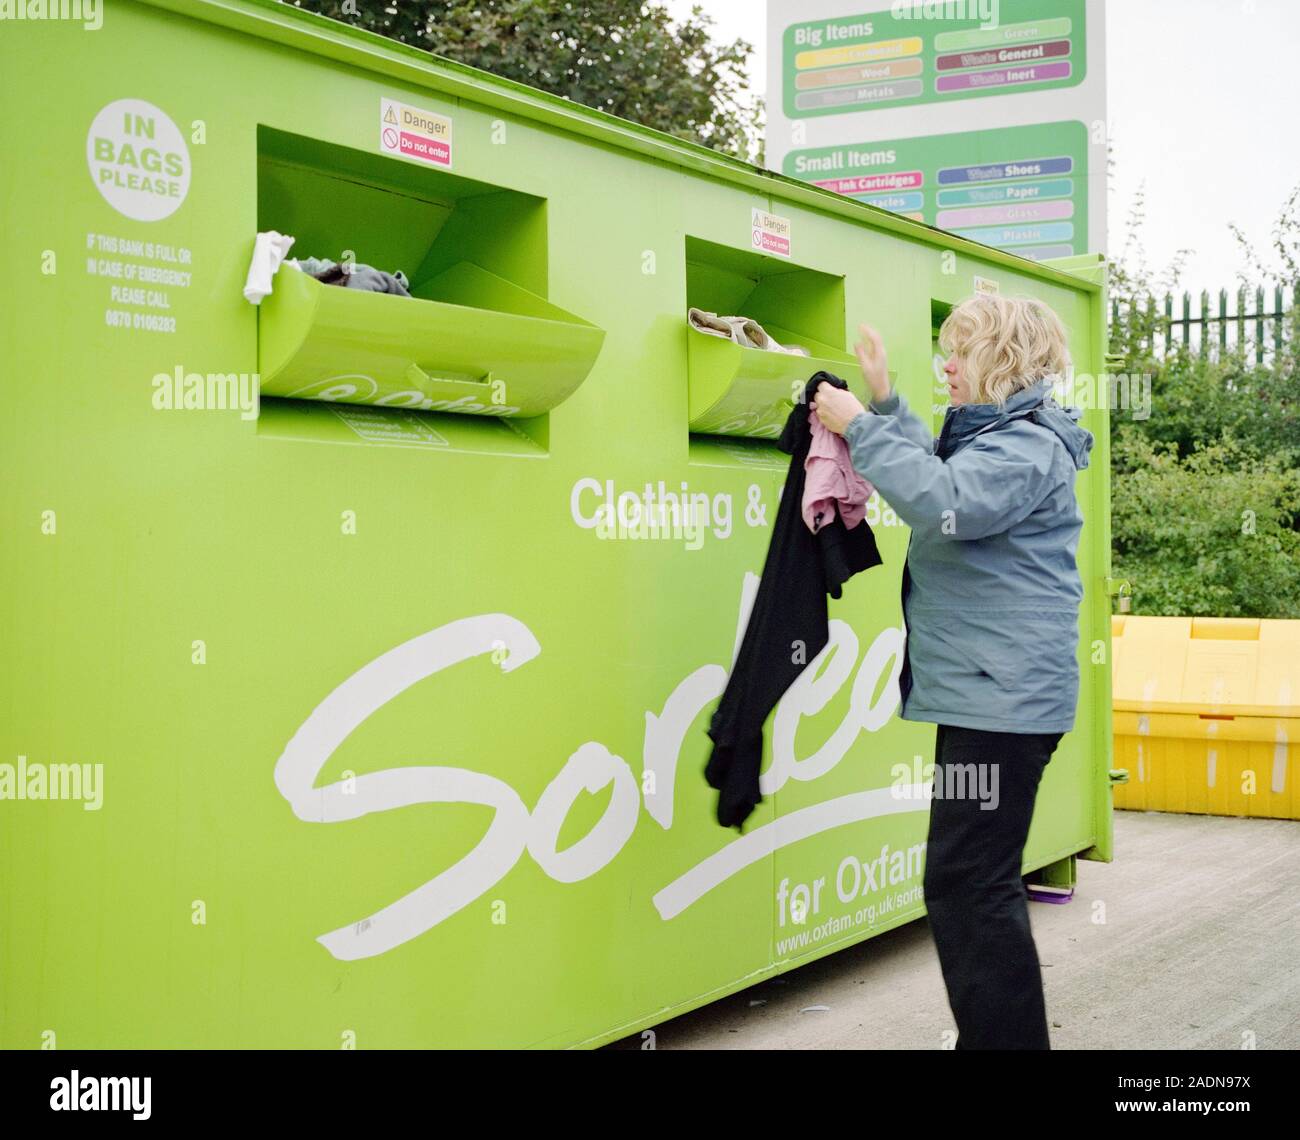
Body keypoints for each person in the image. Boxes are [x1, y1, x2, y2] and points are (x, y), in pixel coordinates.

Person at [810, 293, 1094, 1050]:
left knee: (970, 884)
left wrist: (862, 429)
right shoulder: (1000, 436)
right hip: (987, 700)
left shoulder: (1028, 447)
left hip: (1002, 705)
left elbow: (947, 501)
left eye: (962, 350)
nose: (949, 364)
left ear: (1006, 359)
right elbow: (940, 469)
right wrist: (887, 403)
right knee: (968, 882)